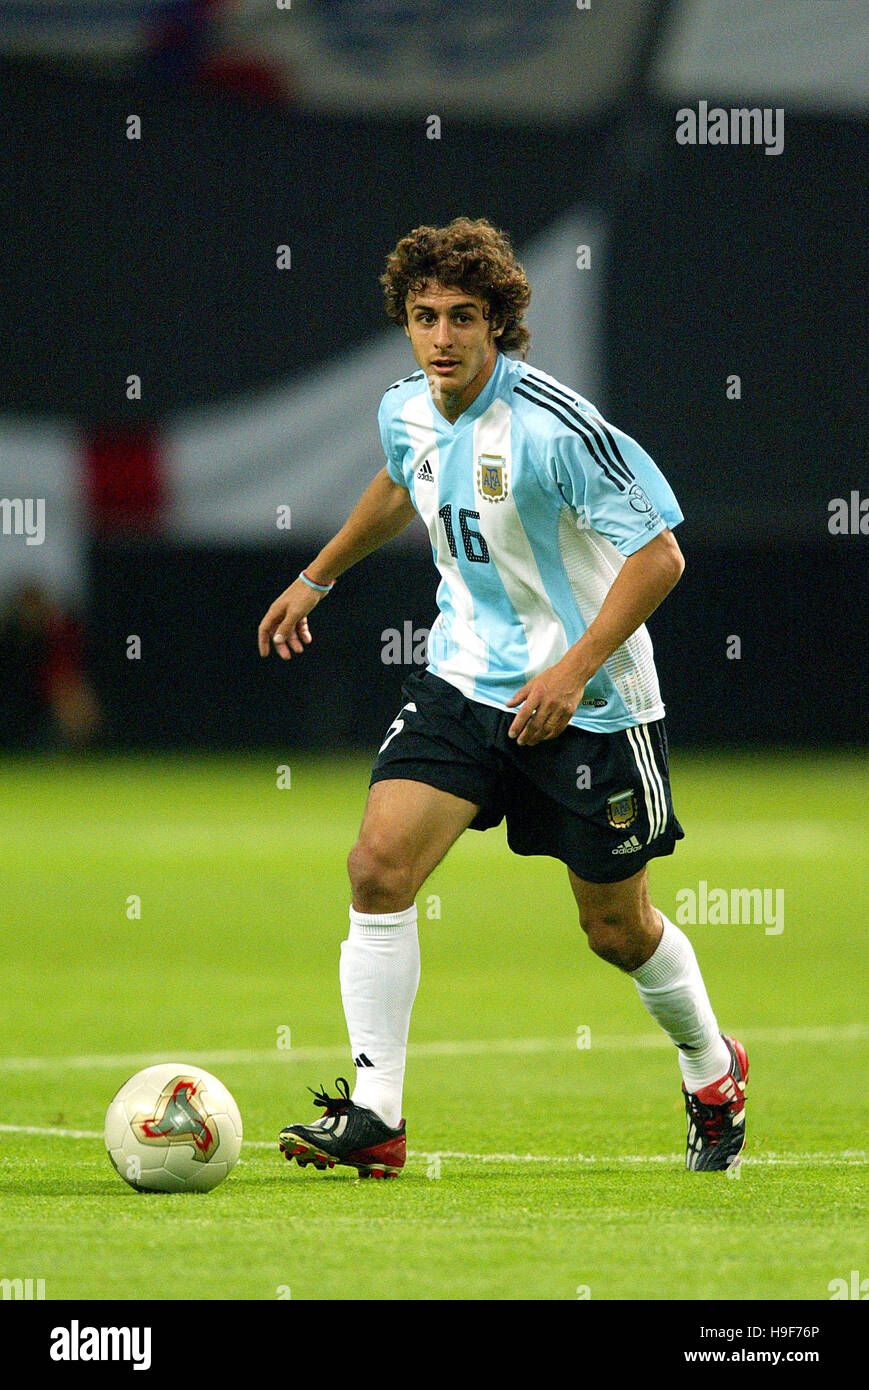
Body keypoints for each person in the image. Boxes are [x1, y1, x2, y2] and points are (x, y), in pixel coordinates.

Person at [258, 217, 747, 1178]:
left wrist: (570, 672)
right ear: (405, 322)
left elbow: (659, 556)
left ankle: (709, 1066)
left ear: (499, 325)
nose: (441, 337)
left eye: (463, 318)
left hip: (590, 705)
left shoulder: (556, 429)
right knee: (376, 870)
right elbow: (405, 482)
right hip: (461, 682)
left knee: (615, 931)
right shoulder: (405, 407)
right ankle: (376, 1116)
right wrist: (316, 575)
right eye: (424, 316)